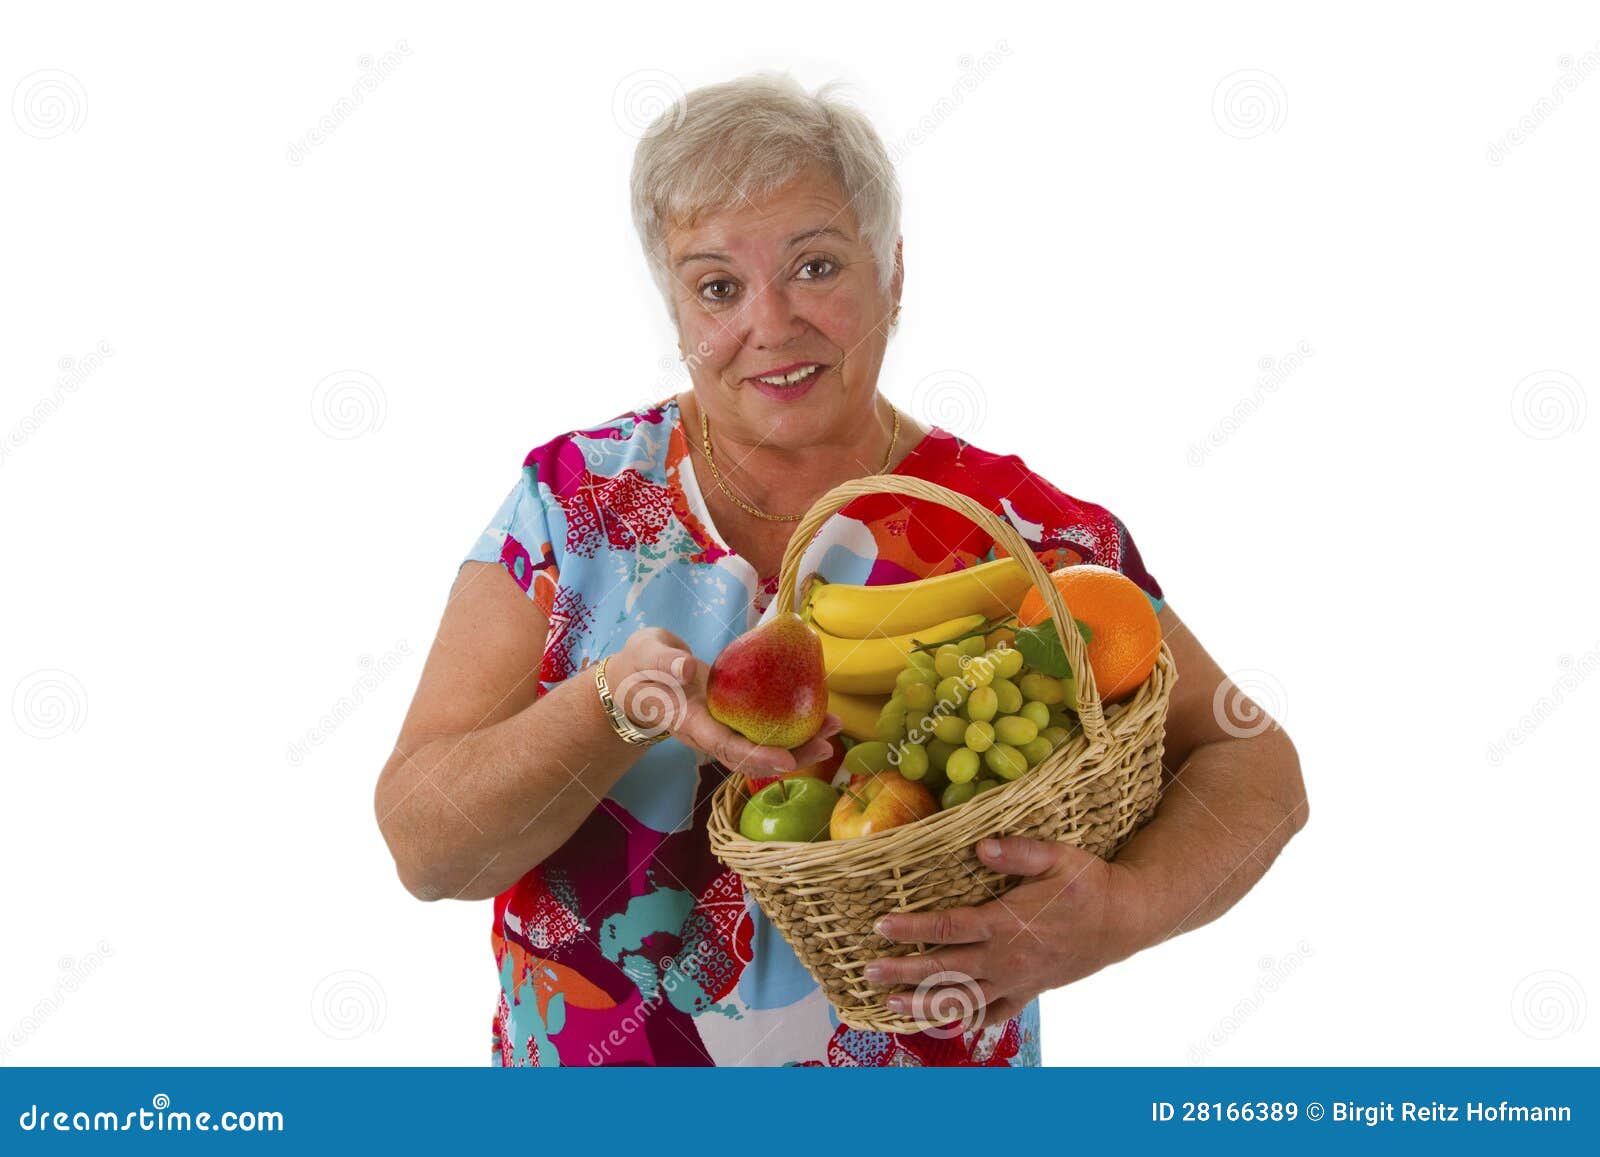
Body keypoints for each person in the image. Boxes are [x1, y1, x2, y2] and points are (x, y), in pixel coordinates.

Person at [374, 73, 1308, 1066]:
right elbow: (428, 848)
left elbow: (1256, 764)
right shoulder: (574, 504)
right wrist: (610, 701)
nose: (772, 323)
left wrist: (1123, 910)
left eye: (815, 266)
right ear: (675, 308)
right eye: (717, 286)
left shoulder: (1020, 533)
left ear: (893, 274)